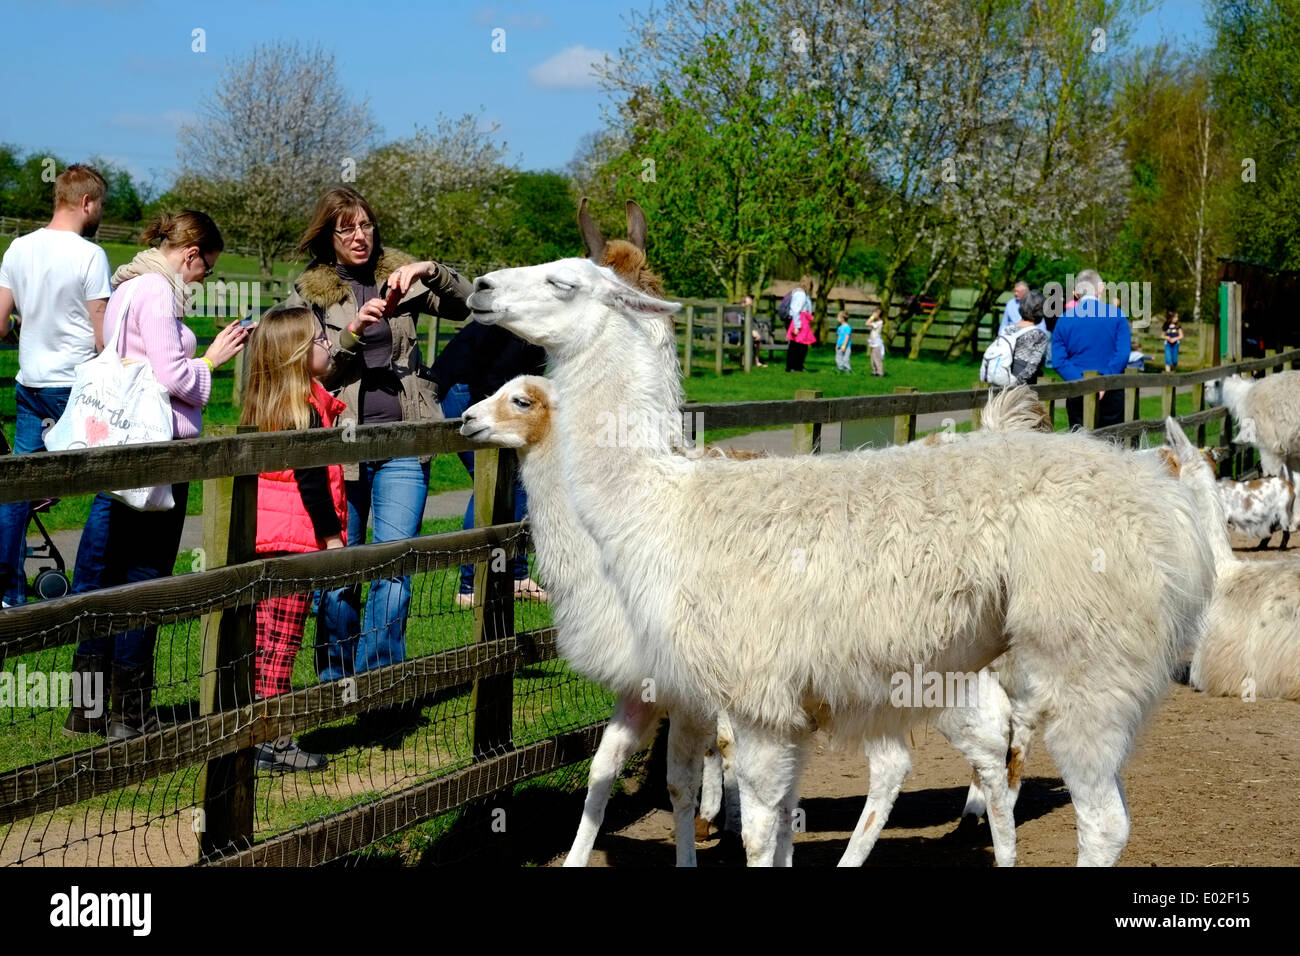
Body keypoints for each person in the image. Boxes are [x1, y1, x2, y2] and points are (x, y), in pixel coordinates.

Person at [64, 210, 248, 739]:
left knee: (100, 575)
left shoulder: (125, 286)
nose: (203, 279)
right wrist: (211, 361)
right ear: (191, 255)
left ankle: (87, 706)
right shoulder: (159, 292)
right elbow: (172, 377)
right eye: (206, 269)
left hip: (114, 443)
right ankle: (130, 709)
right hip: (156, 451)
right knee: (144, 576)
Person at [282, 187, 470, 683]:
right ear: (329, 236)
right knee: (340, 574)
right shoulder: (308, 293)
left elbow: (469, 304)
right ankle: (335, 683)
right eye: (346, 228)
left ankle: (379, 686)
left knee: (396, 567)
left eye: (365, 225)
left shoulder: (402, 279)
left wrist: (431, 269)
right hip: (339, 448)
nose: (359, 236)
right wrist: (350, 337)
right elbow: (299, 368)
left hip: (405, 444)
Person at [0, 164, 112, 607]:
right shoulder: (90, 255)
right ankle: (94, 584)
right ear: (86, 202)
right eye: (100, 203)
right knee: (111, 482)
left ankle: (8, 591)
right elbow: (101, 331)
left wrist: (18, 330)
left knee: (16, 490)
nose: (100, 211)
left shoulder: (18, 248)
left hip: (30, 384)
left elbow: (0, 322)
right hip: (78, 385)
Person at [241, 307, 345, 772]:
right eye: (320, 340)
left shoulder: (271, 405)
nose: (328, 345)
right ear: (299, 354)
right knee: (281, 643)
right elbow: (311, 479)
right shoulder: (303, 410)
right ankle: (272, 740)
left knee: (262, 641)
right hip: (293, 538)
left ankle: (252, 731)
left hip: (266, 537)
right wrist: (331, 536)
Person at [428, 320, 548, 607]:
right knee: (492, 483)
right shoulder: (521, 326)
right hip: (469, 393)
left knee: (512, 484)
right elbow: (493, 379)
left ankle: (513, 575)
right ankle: (472, 585)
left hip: (483, 391)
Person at [1050, 270, 1130, 430]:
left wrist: (1082, 384)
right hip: (1111, 390)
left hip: (1076, 390)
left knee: (1081, 446)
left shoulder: (1064, 320)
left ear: (1075, 293)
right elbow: (1122, 355)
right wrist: (1102, 382)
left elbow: (1058, 361)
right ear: (1101, 288)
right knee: (1112, 446)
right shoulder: (1118, 316)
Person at [1007, 289, 1049, 385]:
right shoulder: (1039, 335)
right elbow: (1033, 365)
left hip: (1002, 379)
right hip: (1023, 384)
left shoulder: (1007, 330)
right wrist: (1016, 384)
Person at [784, 276, 815, 372]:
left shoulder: (804, 294)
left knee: (800, 345)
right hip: (799, 320)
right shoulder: (801, 295)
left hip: (802, 320)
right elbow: (796, 310)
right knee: (797, 345)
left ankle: (797, 365)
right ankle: (793, 366)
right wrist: (797, 326)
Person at [866, 308, 886, 376]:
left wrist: (871, 317)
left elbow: (867, 323)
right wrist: (873, 317)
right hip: (873, 342)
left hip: (877, 343)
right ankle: (874, 371)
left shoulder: (880, 322)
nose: (873, 315)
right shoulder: (875, 322)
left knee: (877, 358)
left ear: (879, 315)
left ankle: (880, 372)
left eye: (875, 313)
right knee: (872, 358)